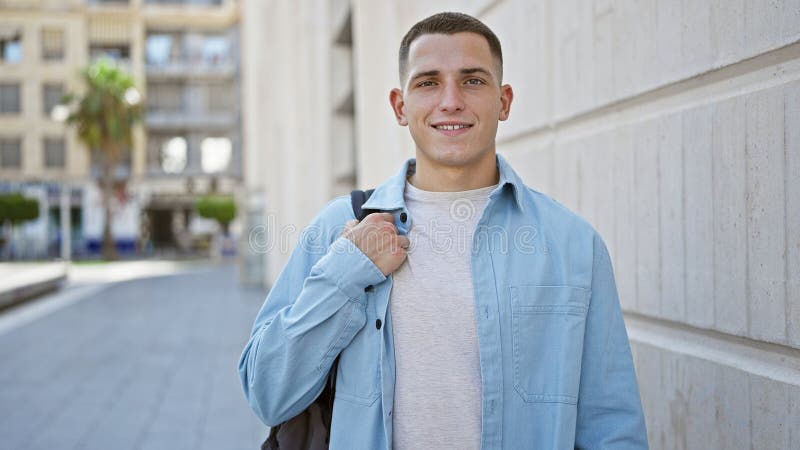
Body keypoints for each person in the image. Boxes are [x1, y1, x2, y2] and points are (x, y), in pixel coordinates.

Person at [239, 11, 648, 450]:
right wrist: (345, 274)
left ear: (504, 101)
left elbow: (611, 426)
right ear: (400, 106)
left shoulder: (574, 246)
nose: (450, 101)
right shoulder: (341, 231)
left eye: (472, 80)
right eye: (428, 82)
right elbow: (268, 394)